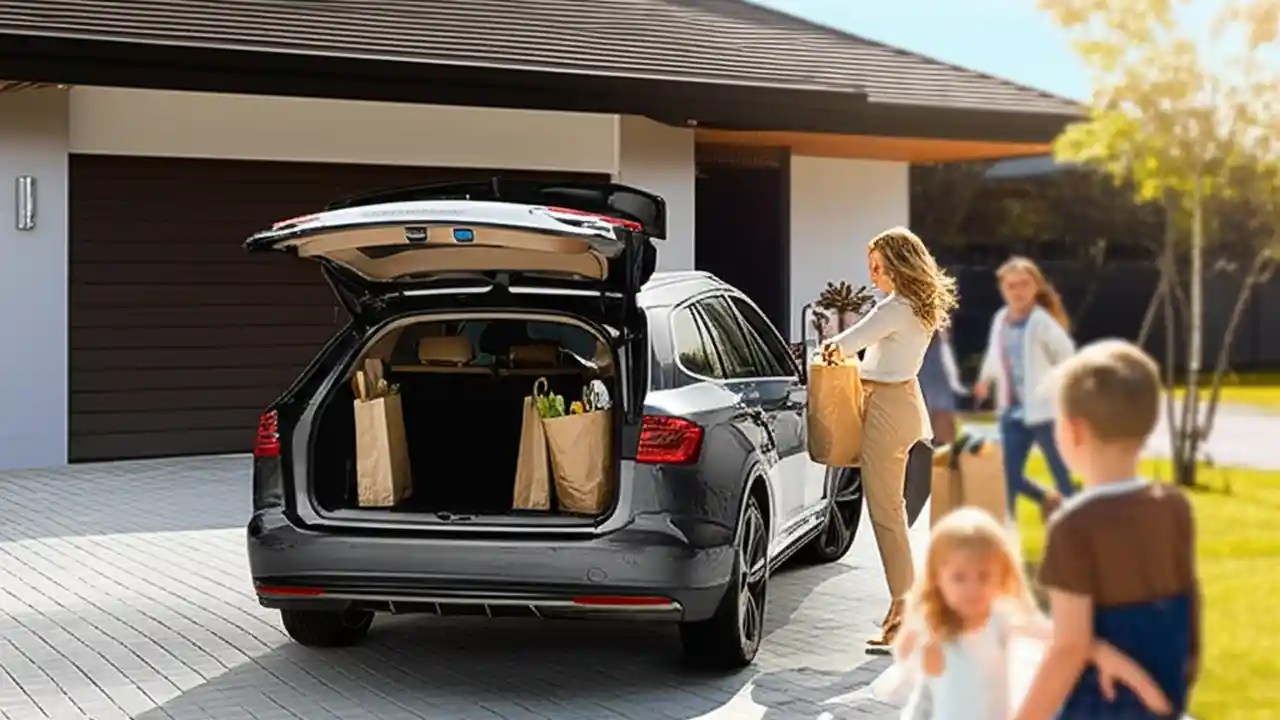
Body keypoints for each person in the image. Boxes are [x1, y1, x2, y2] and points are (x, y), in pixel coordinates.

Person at [1015, 340, 1200, 720]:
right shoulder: (1174, 506)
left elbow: (1070, 646)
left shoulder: (1074, 526)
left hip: (1101, 702)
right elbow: (1190, 599)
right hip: (1163, 692)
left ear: (1073, 431)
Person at [891, 508, 1171, 720]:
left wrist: (1128, 673)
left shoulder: (1000, 619)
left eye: (983, 576)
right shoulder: (935, 627)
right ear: (938, 579)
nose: (972, 588)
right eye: (959, 577)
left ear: (1001, 576)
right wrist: (919, 635)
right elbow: (919, 689)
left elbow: (1067, 641)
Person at [823, 226, 956, 650]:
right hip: (903, 405)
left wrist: (823, 351)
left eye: (878, 267)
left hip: (885, 408)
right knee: (891, 512)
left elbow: (843, 346)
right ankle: (910, 605)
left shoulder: (895, 309)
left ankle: (906, 610)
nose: (873, 276)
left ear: (898, 265)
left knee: (886, 514)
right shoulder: (917, 307)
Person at [974, 256, 1076, 520]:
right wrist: (985, 380)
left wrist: (1052, 390)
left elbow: (1067, 358)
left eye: (1024, 284)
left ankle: (1079, 525)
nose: (1017, 291)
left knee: (1061, 474)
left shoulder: (1042, 322)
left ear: (1036, 287)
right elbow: (994, 354)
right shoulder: (1000, 319)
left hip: (1044, 412)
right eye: (1011, 286)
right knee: (1007, 475)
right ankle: (1009, 535)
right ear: (1002, 289)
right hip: (1012, 411)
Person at [918, 329, 968, 447]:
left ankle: (943, 450)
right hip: (926, 386)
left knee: (939, 419)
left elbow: (949, 365)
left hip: (935, 387)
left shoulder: (940, 344)